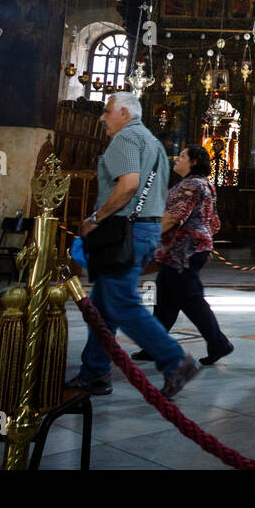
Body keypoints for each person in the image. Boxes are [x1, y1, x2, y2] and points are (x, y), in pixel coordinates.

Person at [67, 93, 200, 399]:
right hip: (146, 229)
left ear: (124, 112)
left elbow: (127, 185)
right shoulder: (153, 143)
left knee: (122, 303)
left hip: (123, 232)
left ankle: (175, 360)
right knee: (103, 306)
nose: (102, 118)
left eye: (107, 111)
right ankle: (95, 371)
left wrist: (95, 218)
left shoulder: (125, 139)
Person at [133, 146, 234, 367]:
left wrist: (146, 237)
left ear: (194, 162)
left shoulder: (190, 185)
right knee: (165, 303)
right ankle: (154, 346)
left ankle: (218, 343)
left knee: (191, 299)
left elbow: (174, 216)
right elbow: (214, 222)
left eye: (182, 157)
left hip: (183, 252)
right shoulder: (206, 184)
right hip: (182, 250)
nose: (176, 161)